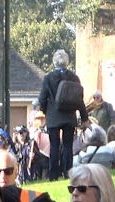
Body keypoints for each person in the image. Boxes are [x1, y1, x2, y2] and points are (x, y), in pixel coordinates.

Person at [37, 49, 88, 181]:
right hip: (69, 116)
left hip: (53, 117)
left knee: (54, 146)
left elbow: (42, 98)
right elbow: (79, 99)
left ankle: (53, 175)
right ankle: (68, 173)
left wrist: (43, 110)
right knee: (67, 146)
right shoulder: (74, 78)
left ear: (54, 62)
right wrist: (84, 117)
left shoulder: (48, 78)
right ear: (67, 62)